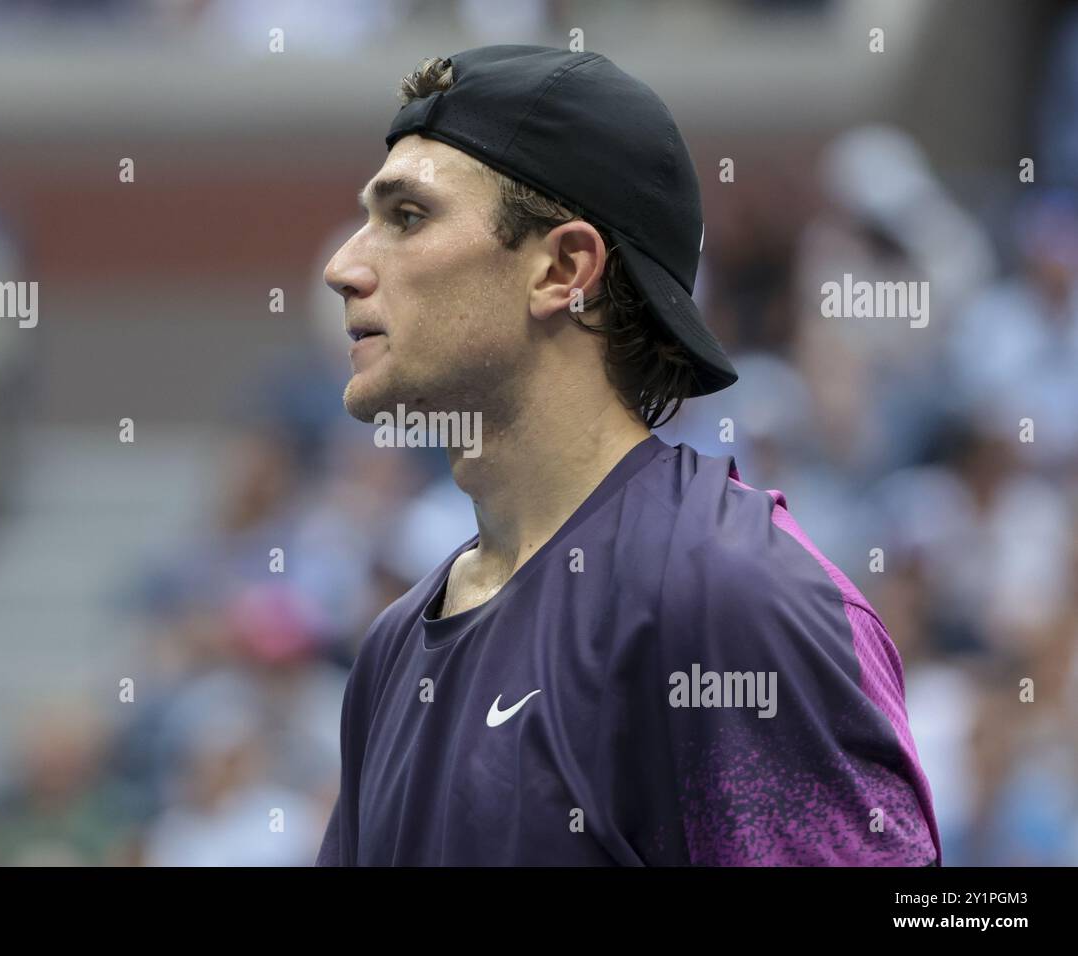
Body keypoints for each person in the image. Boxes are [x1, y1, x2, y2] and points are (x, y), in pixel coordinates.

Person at [315, 45, 939, 865]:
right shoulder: (393, 648)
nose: (342, 268)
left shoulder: (731, 596)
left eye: (407, 216)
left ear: (564, 268)